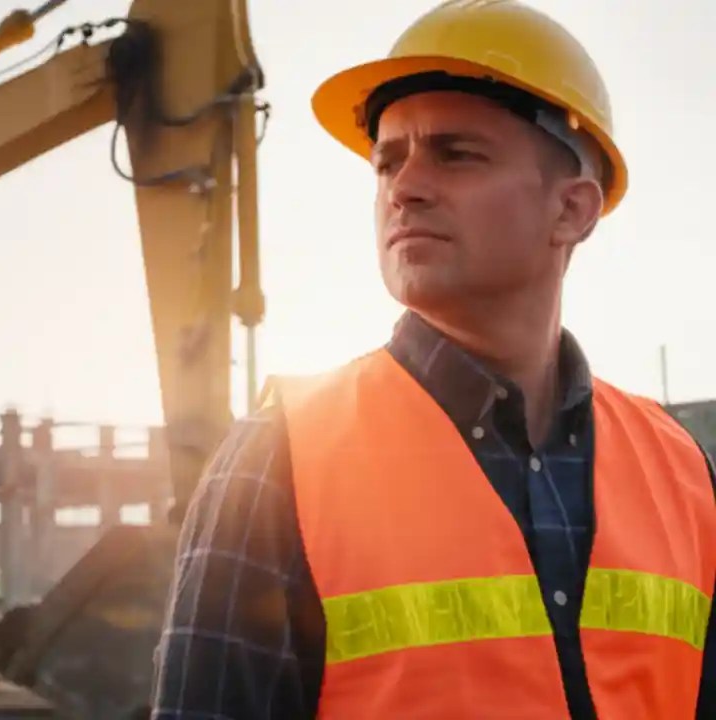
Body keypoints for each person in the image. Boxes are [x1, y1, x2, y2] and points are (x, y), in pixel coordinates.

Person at [150, 1, 716, 718]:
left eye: (456, 154)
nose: (405, 187)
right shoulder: (278, 458)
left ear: (573, 211)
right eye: (388, 161)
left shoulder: (682, 473)